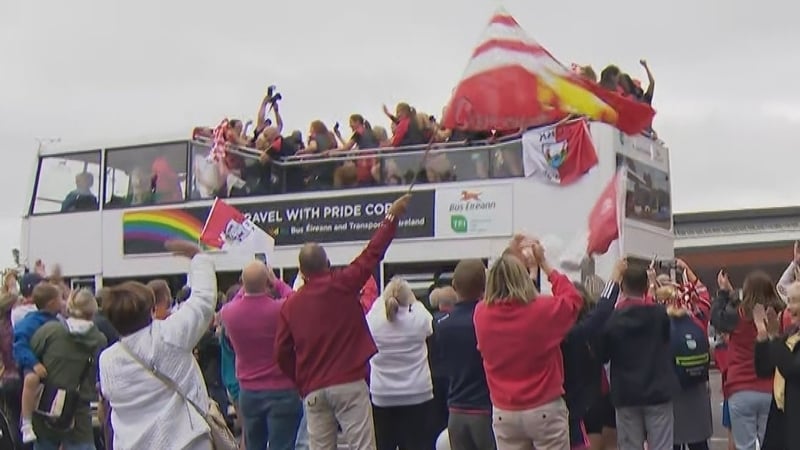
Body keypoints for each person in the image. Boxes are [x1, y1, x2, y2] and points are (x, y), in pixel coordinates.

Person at [275, 193, 412, 449]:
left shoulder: (290, 306)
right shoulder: (343, 283)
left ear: (302, 273)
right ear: (327, 264)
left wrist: (300, 379)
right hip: (349, 382)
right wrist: (391, 217)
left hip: (313, 389)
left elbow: (281, 352)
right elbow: (373, 253)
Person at [98, 240, 220, 450]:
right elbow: (203, 301)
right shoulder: (169, 335)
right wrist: (198, 257)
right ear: (151, 310)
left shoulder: (107, 360)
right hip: (186, 441)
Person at [473, 236, 583, 450]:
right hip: (544, 407)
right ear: (523, 278)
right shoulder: (541, 310)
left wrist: (510, 253)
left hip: (505, 410)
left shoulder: (481, 314)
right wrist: (544, 264)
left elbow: (505, 280)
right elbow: (573, 300)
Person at [220, 261, 301, 450]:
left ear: (242, 284)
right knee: (282, 446)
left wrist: (247, 285)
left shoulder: (229, 313)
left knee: (253, 445)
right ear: (267, 283)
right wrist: (277, 283)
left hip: (249, 391)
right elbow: (297, 299)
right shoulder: (280, 309)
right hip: (283, 389)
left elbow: (237, 299)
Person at [599, 264, 679, 450]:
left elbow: (603, 355)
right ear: (645, 287)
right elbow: (668, 341)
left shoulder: (612, 319)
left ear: (623, 287)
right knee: (662, 445)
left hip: (626, 393)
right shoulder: (660, 315)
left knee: (629, 445)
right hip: (658, 390)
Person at [711, 270, 784, 450]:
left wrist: (723, 292)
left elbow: (716, 317)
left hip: (740, 388)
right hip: (771, 389)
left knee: (745, 446)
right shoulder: (778, 315)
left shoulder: (738, 315)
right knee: (771, 444)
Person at [30, 288, 107, 450]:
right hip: (79, 412)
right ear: (92, 310)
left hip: (46, 408)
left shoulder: (49, 331)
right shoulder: (99, 340)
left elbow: (29, 359)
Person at [366, 276, 434, 450]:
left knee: (384, 444)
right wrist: (413, 301)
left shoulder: (374, 321)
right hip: (417, 392)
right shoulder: (418, 319)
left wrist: (384, 299)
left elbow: (372, 312)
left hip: (382, 395)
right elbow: (430, 325)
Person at [562, 261, 623, 450]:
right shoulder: (594, 331)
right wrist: (615, 278)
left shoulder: (562, 336)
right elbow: (603, 308)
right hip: (600, 396)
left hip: (572, 405)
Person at [435, 259, 495, 450]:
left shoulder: (442, 325)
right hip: (485, 410)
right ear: (484, 286)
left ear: (454, 286)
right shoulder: (487, 321)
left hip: (456, 410)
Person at [13, 282, 64, 443]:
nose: (63, 301)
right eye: (60, 298)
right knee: (31, 379)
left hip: (53, 366)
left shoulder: (60, 320)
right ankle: (26, 423)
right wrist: (34, 363)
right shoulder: (30, 322)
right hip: (35, 362)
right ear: (51, 303)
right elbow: (19, 344)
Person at [754, 282, 800, 450]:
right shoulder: (790, 334)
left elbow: (791, 368)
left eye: (795, 301)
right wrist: (762, 335)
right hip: (781, 418)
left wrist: (773, 336)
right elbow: (764, 369)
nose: (789, 308)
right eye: (789, 302)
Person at [0, 292, 22, 447]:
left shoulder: (2, 328)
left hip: (7, 377)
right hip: (23, 376)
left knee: (12, 418)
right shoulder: (21, 326)